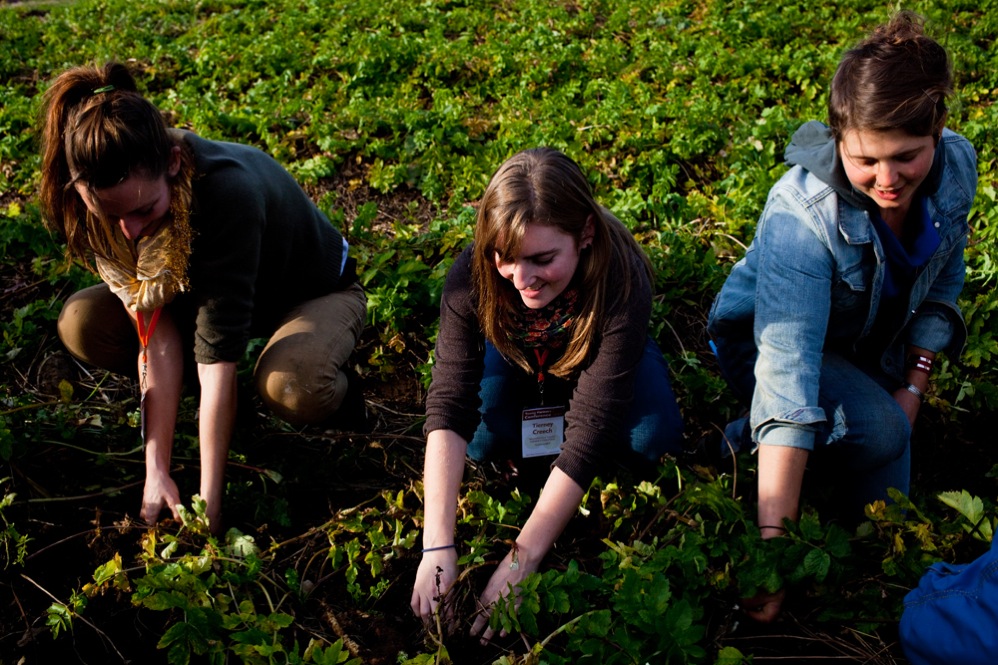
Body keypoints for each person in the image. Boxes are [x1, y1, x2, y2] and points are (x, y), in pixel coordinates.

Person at [706, 11, 977, 623]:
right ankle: (756, 439)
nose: (888, 180)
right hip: (765, 351)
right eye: (866, 160)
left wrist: (913, 385)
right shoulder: (803, 216)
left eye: (907, 156)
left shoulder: (956, 169)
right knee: (882, 435)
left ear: (938, 129)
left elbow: (944, 288)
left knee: (886, 532)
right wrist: (772, 552)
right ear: (838, 140)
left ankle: (757, 442)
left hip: (864, 347)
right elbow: (786, 370)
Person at [38, 62, 367, 532]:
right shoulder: (97, 195)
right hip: (204, 298)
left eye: (144, 211)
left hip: (308, 293)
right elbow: (155, 334)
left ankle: (343, 398)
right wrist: (157, 471)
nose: (129, 231)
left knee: (292, 384)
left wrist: (209, 506)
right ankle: (233, 416)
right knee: (82, 319)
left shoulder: (226, 195)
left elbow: (217, 359)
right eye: (113, 217)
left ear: (172, 165)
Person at [409, 147, 684, 640]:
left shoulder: (620, 278)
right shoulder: (470, 279)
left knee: (649, 438)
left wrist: (522, 558)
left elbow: (592, 426)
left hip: (597, 353)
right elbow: (449, 402)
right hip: (517, 353)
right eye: (506, 258)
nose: (521, 278)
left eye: (542, 259)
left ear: (585, 235)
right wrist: (437, 546)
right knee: (483, 443)